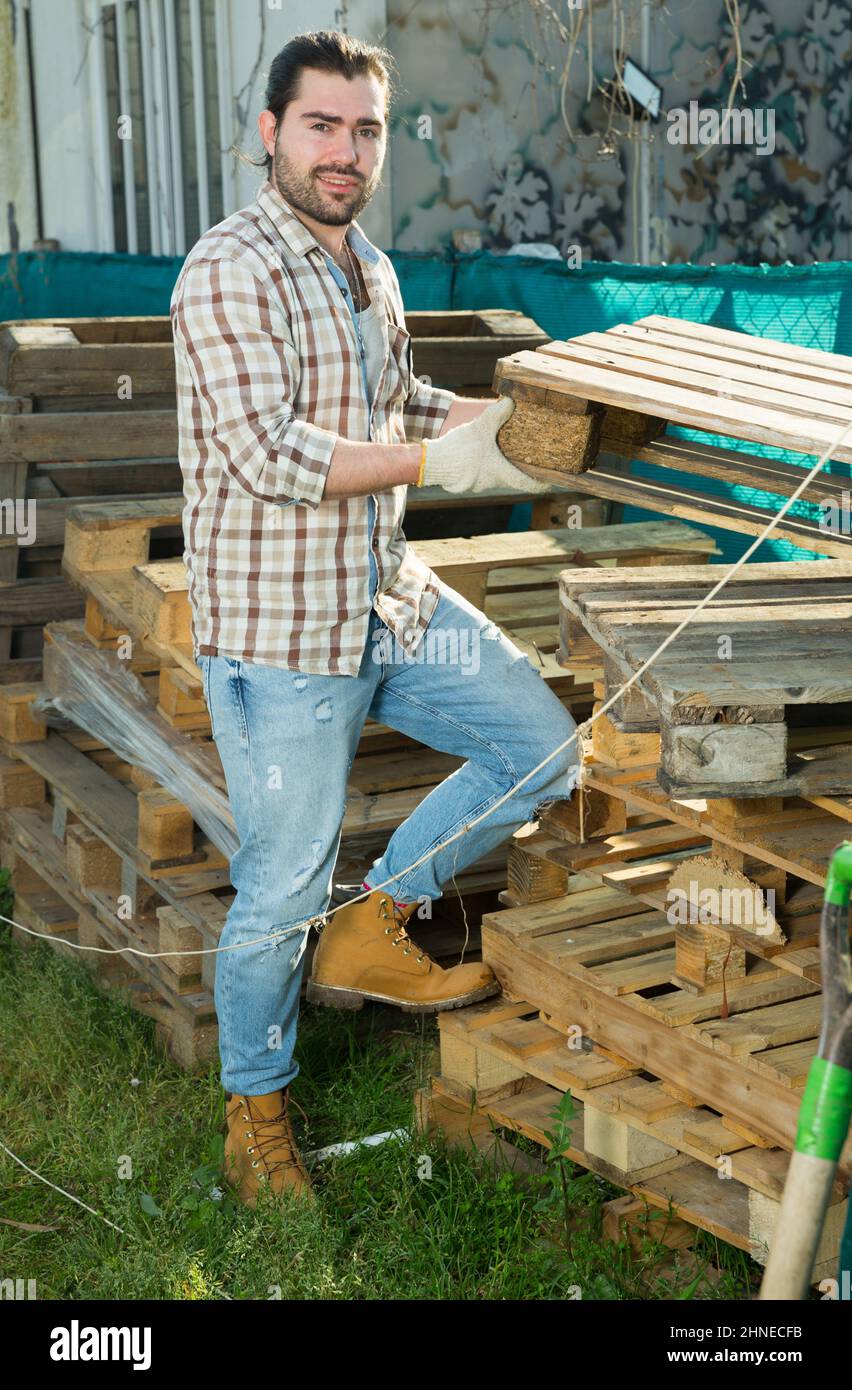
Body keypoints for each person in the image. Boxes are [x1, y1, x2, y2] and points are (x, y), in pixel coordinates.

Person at [170, 29, 579, 1208]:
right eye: (321, 126)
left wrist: (508, 417)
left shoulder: (370, 268)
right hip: (282, 632)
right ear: (271, 132)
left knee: (539, 745)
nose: (345, 152)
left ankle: (384, 912)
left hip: (385, 598)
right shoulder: (229, 269)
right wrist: (437, 459)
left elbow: (406, 400)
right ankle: (257, 1117)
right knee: (281, 887)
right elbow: (266, 449)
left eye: (365, 130)